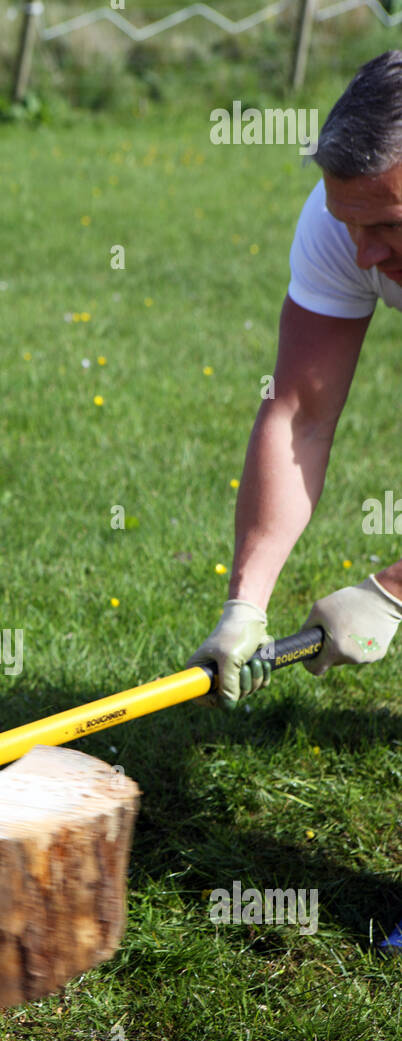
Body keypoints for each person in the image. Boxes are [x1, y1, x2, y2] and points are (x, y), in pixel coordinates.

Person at [188, 50, 402, 710]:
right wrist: (244, 604)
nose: (364, 254)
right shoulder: (345, 220)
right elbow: (299, 413)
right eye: (351, 224)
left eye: (389, 226)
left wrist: (392, 592)